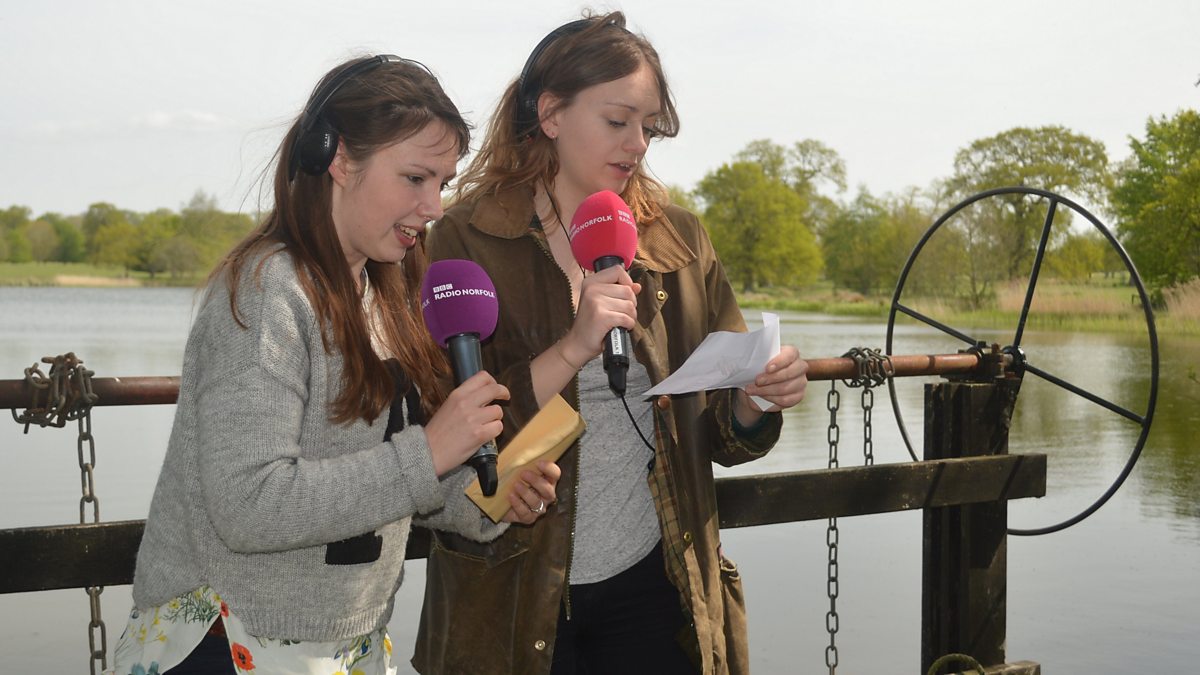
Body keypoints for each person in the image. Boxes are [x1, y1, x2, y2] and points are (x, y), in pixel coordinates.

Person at [110, 55, 560, 675]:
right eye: (414, 178)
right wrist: (430, 452)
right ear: (340, 160)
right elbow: (248, 505)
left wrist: (490, 499)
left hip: (342, 648)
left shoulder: (388, 295)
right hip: (229, 643)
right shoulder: (268, 291)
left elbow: (397, 481)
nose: (433, 206)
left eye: (442, 182)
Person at [413, 13, 808, 675]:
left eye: (648, 128)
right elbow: (443, 434)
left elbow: (720, 437)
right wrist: (573, 343)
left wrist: (754, 402)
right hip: (511, 595)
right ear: (551, 113)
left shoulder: (678, 239)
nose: (637, 145)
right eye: (618, 121)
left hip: (658, 587)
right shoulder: (465, 238)